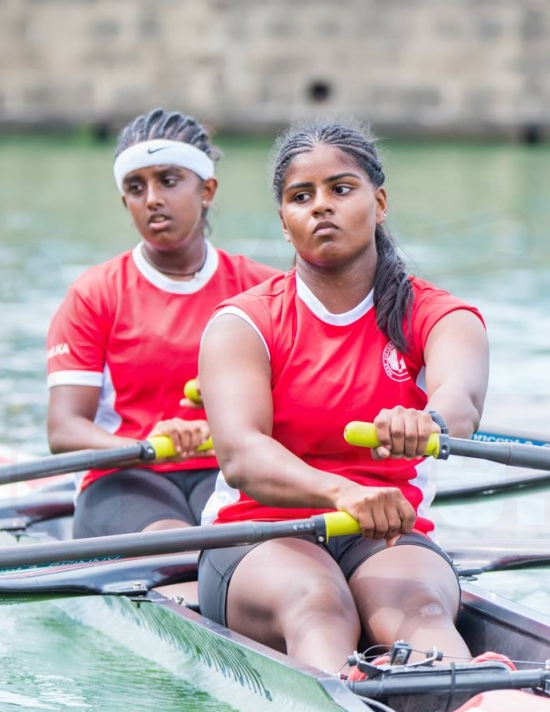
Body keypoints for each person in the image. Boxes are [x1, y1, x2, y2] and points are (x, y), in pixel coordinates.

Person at [196, 120, 490, 673]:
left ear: (378, 203)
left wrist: (430, 422)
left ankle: (475, 709)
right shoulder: (242, 324)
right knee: (320, 604)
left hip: (386, 530)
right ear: (285, 225)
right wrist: (342, 492)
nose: (320, 207)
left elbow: (462, 402)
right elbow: (240, 455)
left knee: (419, 611)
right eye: (300, 197)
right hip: (260, 532)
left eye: (341, 189)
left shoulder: (439, 315)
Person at [46, 109, 279, 539]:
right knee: (180, 548)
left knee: (272, 550)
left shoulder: (264, 289)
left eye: (168, 181)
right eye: (136, 188)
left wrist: (220, 431)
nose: (152, 198)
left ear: (207, 189)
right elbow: (64, 430)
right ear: (125, 202)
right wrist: (148, 446)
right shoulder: (95, 293)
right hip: (126, 475)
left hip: (232, 469)